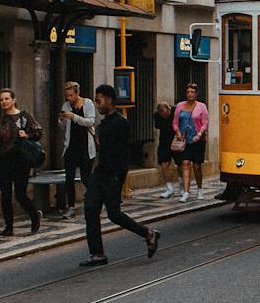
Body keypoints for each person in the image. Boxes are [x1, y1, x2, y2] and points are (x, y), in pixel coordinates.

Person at [80, 83, 159, 267]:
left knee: (114, 214)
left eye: (99, 101)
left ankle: (149, 233)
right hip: (100, 173)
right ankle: (97, 253)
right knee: (90, 209)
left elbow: (123, 154)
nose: (98, 105)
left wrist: (118, 178)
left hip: (112, 175)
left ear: (108, 100)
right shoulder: (104, 123)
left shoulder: (121, 123)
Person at [0, 87, 42, 237]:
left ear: (14, 100)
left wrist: (26, 135)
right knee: (5, 195)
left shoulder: (24, 116)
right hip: (5, 160)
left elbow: (38, 132)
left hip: (22, 159)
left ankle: (35, 216)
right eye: (1, 99)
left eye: (7, 98)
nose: (4, 102)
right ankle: (9, 227)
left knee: (20, 194)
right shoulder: (0, 120)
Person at [59, 79, 96, 217]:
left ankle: (96, 198)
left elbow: (90, 121)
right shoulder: (66, 105)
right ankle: (71, 207)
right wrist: (61, 120)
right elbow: (62, 128)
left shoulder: (88, 103)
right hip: (71, 146)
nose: (69, 99)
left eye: (71, 95)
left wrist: (74, 117)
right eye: (67, 96)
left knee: (86, 177)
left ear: (77, 93)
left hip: (86, 147)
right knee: (69, 178)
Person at [172, 81, 210, 199]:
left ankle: (199, 189)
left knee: (197, 166)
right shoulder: (179, 106)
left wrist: (199, 134)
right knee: (185, 163)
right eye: (188, 92)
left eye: (192, 92)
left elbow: (205, 123)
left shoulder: (202, 106)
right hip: (184, 140)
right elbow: (175, 122)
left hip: (197, 140)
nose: (190, 94)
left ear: (196, 94)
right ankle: (186, 192)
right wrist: (177, 132)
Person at [154, 99, 177, 198]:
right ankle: (169, 188)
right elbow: (159, 126)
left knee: (181, 164)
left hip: (176, 140)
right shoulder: (157, 116)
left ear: (169, 108)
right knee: (164, 164)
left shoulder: (176, 111)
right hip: (164, 142)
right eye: (162, 114)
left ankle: (181, 186)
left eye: (166, 113)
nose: (165, 116)